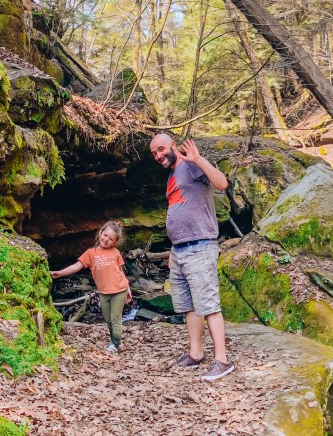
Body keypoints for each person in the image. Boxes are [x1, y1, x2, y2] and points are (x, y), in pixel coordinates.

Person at [149, 132, 234, 381]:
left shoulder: (191, 165)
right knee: (188, 306)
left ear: (173, 145)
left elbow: (221, 183)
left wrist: (198, 159)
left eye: (161, 149)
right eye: (154, 153)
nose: (158, 155)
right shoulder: (172, 176)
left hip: (200, 245)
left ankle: (222, 360)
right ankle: (195, 353)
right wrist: (174, 250)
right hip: (180, 249)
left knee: (208, 304)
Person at [50, 221, 132, 354]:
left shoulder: (115, 252)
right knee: (108, 319)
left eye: (110, 239)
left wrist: (127, 288)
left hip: (119, 290)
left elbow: (120, 272)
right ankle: (117, 341)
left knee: (115, 318)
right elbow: (76, 266)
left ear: (115, 243)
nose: (106, 239)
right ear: (100, 233)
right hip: (103, 292)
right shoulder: (91, 253)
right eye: (105, 235)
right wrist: (59, 273)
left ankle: (114, 344)